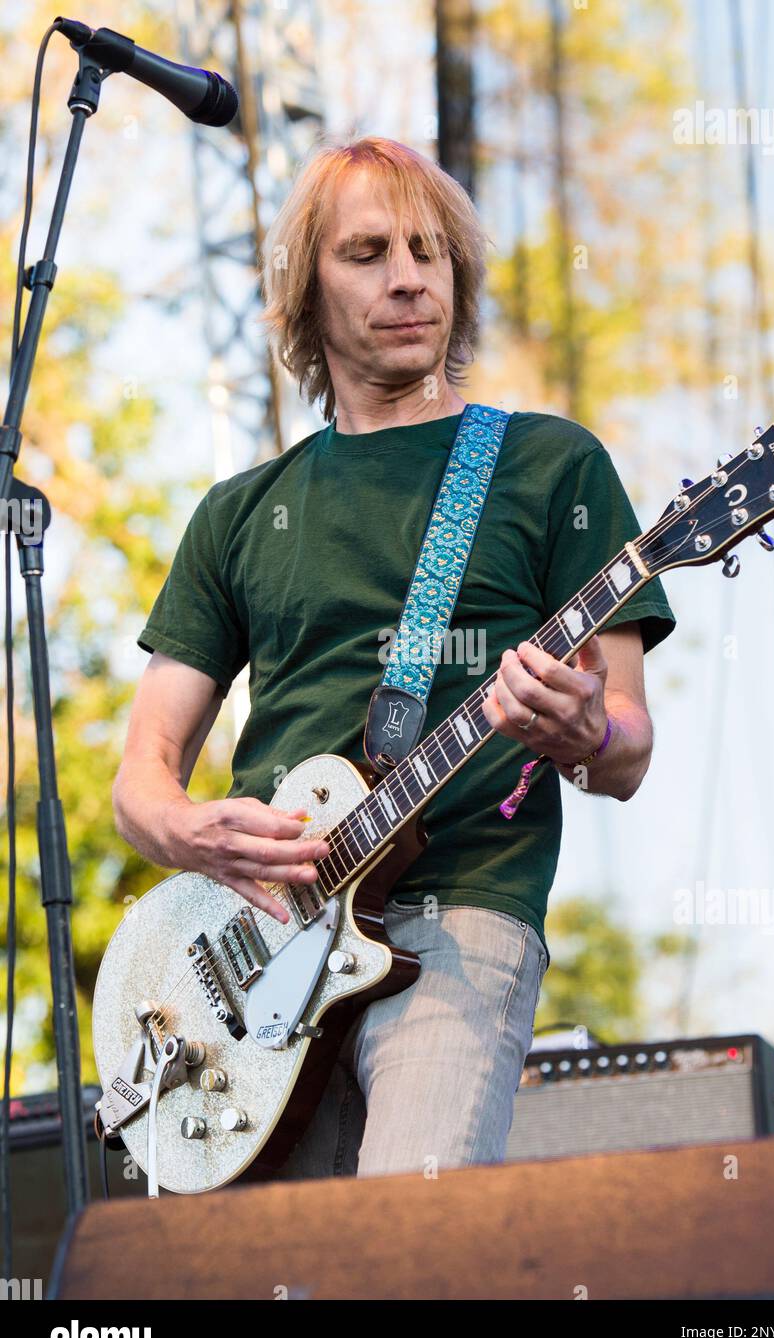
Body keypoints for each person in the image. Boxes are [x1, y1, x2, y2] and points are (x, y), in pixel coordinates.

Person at [112, 136, 675, 1181]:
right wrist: (193, 830)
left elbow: (626, 755)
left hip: (461, 915)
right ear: (303, 292)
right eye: (367, 252)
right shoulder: (239, 513)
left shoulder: (550, 466)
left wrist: (584, 729)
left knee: (405, 1254)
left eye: (429, 251)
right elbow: (140, 779)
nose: (409, 277)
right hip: (255, 942)